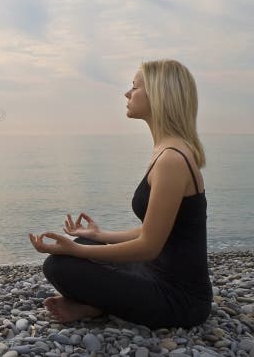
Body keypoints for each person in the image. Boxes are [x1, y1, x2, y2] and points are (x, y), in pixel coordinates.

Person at [28, 59, 212, 328]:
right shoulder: (168, 151)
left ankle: (95, 307)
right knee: (82, 248)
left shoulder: (171, 160)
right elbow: (155, 231)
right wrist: (98, 236)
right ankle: (97, 304)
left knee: (59, 266)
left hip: (180, 300)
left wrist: (76, 250)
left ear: (158, 96)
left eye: (134, 87)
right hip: (153, 272)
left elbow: (149, 246)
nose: (127, 94)